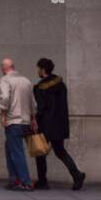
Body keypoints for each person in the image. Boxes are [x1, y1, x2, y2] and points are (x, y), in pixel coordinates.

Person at [33, 58, 86, 191]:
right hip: (60, 124)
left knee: (40, 153)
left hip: (45, 124)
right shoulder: (61, 84)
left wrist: (35, 120)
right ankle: (77, 175)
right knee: (60, 151)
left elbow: (42, 108)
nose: (37, 71)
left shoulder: (40, 88)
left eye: (38, 68)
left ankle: (43, 181)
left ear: (43, 70)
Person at [0, 57, 35, 191]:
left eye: (2, 67)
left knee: (16, 151)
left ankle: (25, 181)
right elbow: (32, 101)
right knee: (10, 149)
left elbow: (5, 98)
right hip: (25, 121)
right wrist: (33, 118)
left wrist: (3, 115)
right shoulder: (26, 80)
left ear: (4, 68)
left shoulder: (5, 80)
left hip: (13, 121)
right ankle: (14, 179)